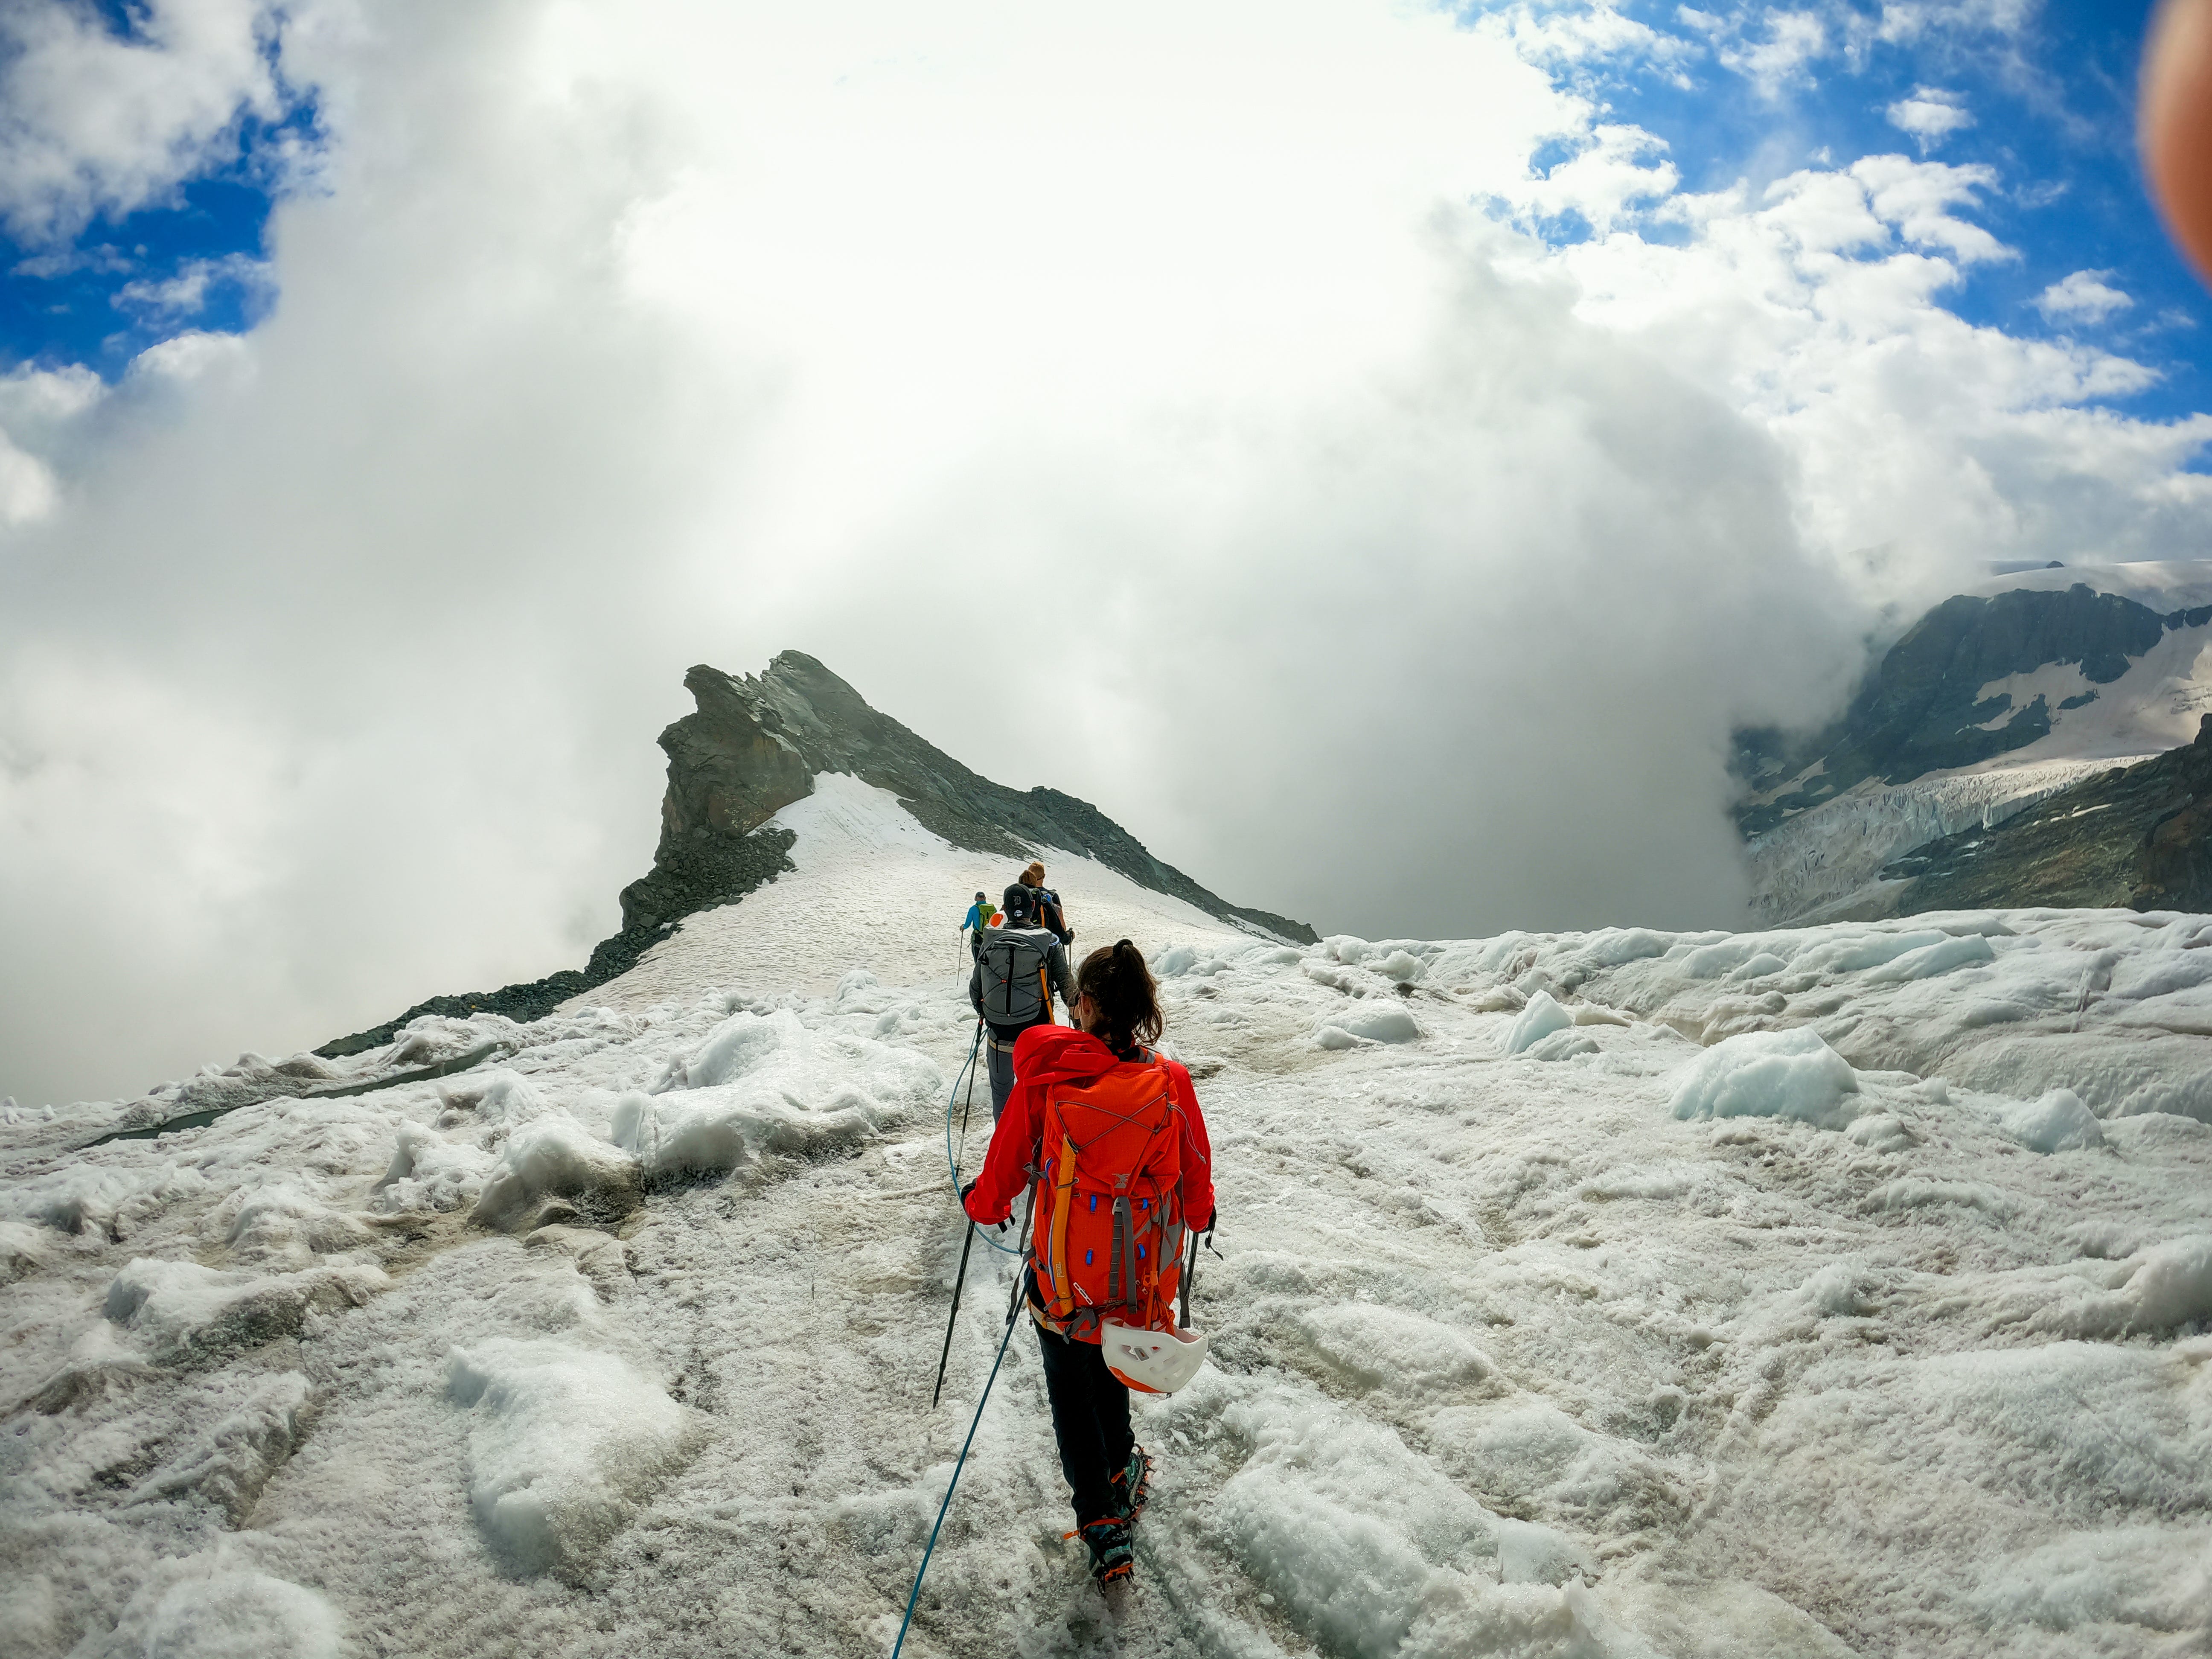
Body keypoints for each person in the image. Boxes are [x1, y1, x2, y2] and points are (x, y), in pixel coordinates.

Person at [960, 940, 1215, 1589]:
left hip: (1062, 1287)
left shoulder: (1048, 1081)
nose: (1071, 1006)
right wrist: (1201, 1213)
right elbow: (1194, 1191)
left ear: (1091, 1005)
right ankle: (1120, 1470)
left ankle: (1100, 1524)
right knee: (1112, 1366)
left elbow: (1004, 1174)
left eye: (1077, 997)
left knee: (1071, 1394)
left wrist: (980, 1204)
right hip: (1135, 1290)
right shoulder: (1171, 1083)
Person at [968, 882, 1077, 1120]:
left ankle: (1004, 1147)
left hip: (998, 1032)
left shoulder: (991, 938)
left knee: (1002, 1093)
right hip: (1036, 1033)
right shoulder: (1047, 942)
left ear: (1004, 909)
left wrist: (986, 1013)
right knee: (1038, 1092)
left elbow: (975, 989)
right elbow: (1068, 988)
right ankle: (1038, 1147)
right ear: (1034, 906)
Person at [1021, 860, 1072, 946]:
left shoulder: (1021, 894)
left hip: (1024, 940)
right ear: (1044, 876)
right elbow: (1062, 925)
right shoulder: (1052, 896)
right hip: (1046, 942)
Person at [959, 891, 997, 959]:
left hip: (978, 937)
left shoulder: (973, 909)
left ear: (976, 899)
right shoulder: (992, 908)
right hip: (990, 937)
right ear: (985, 898)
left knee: (978, 959)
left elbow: (967, 924)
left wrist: (963, 928)